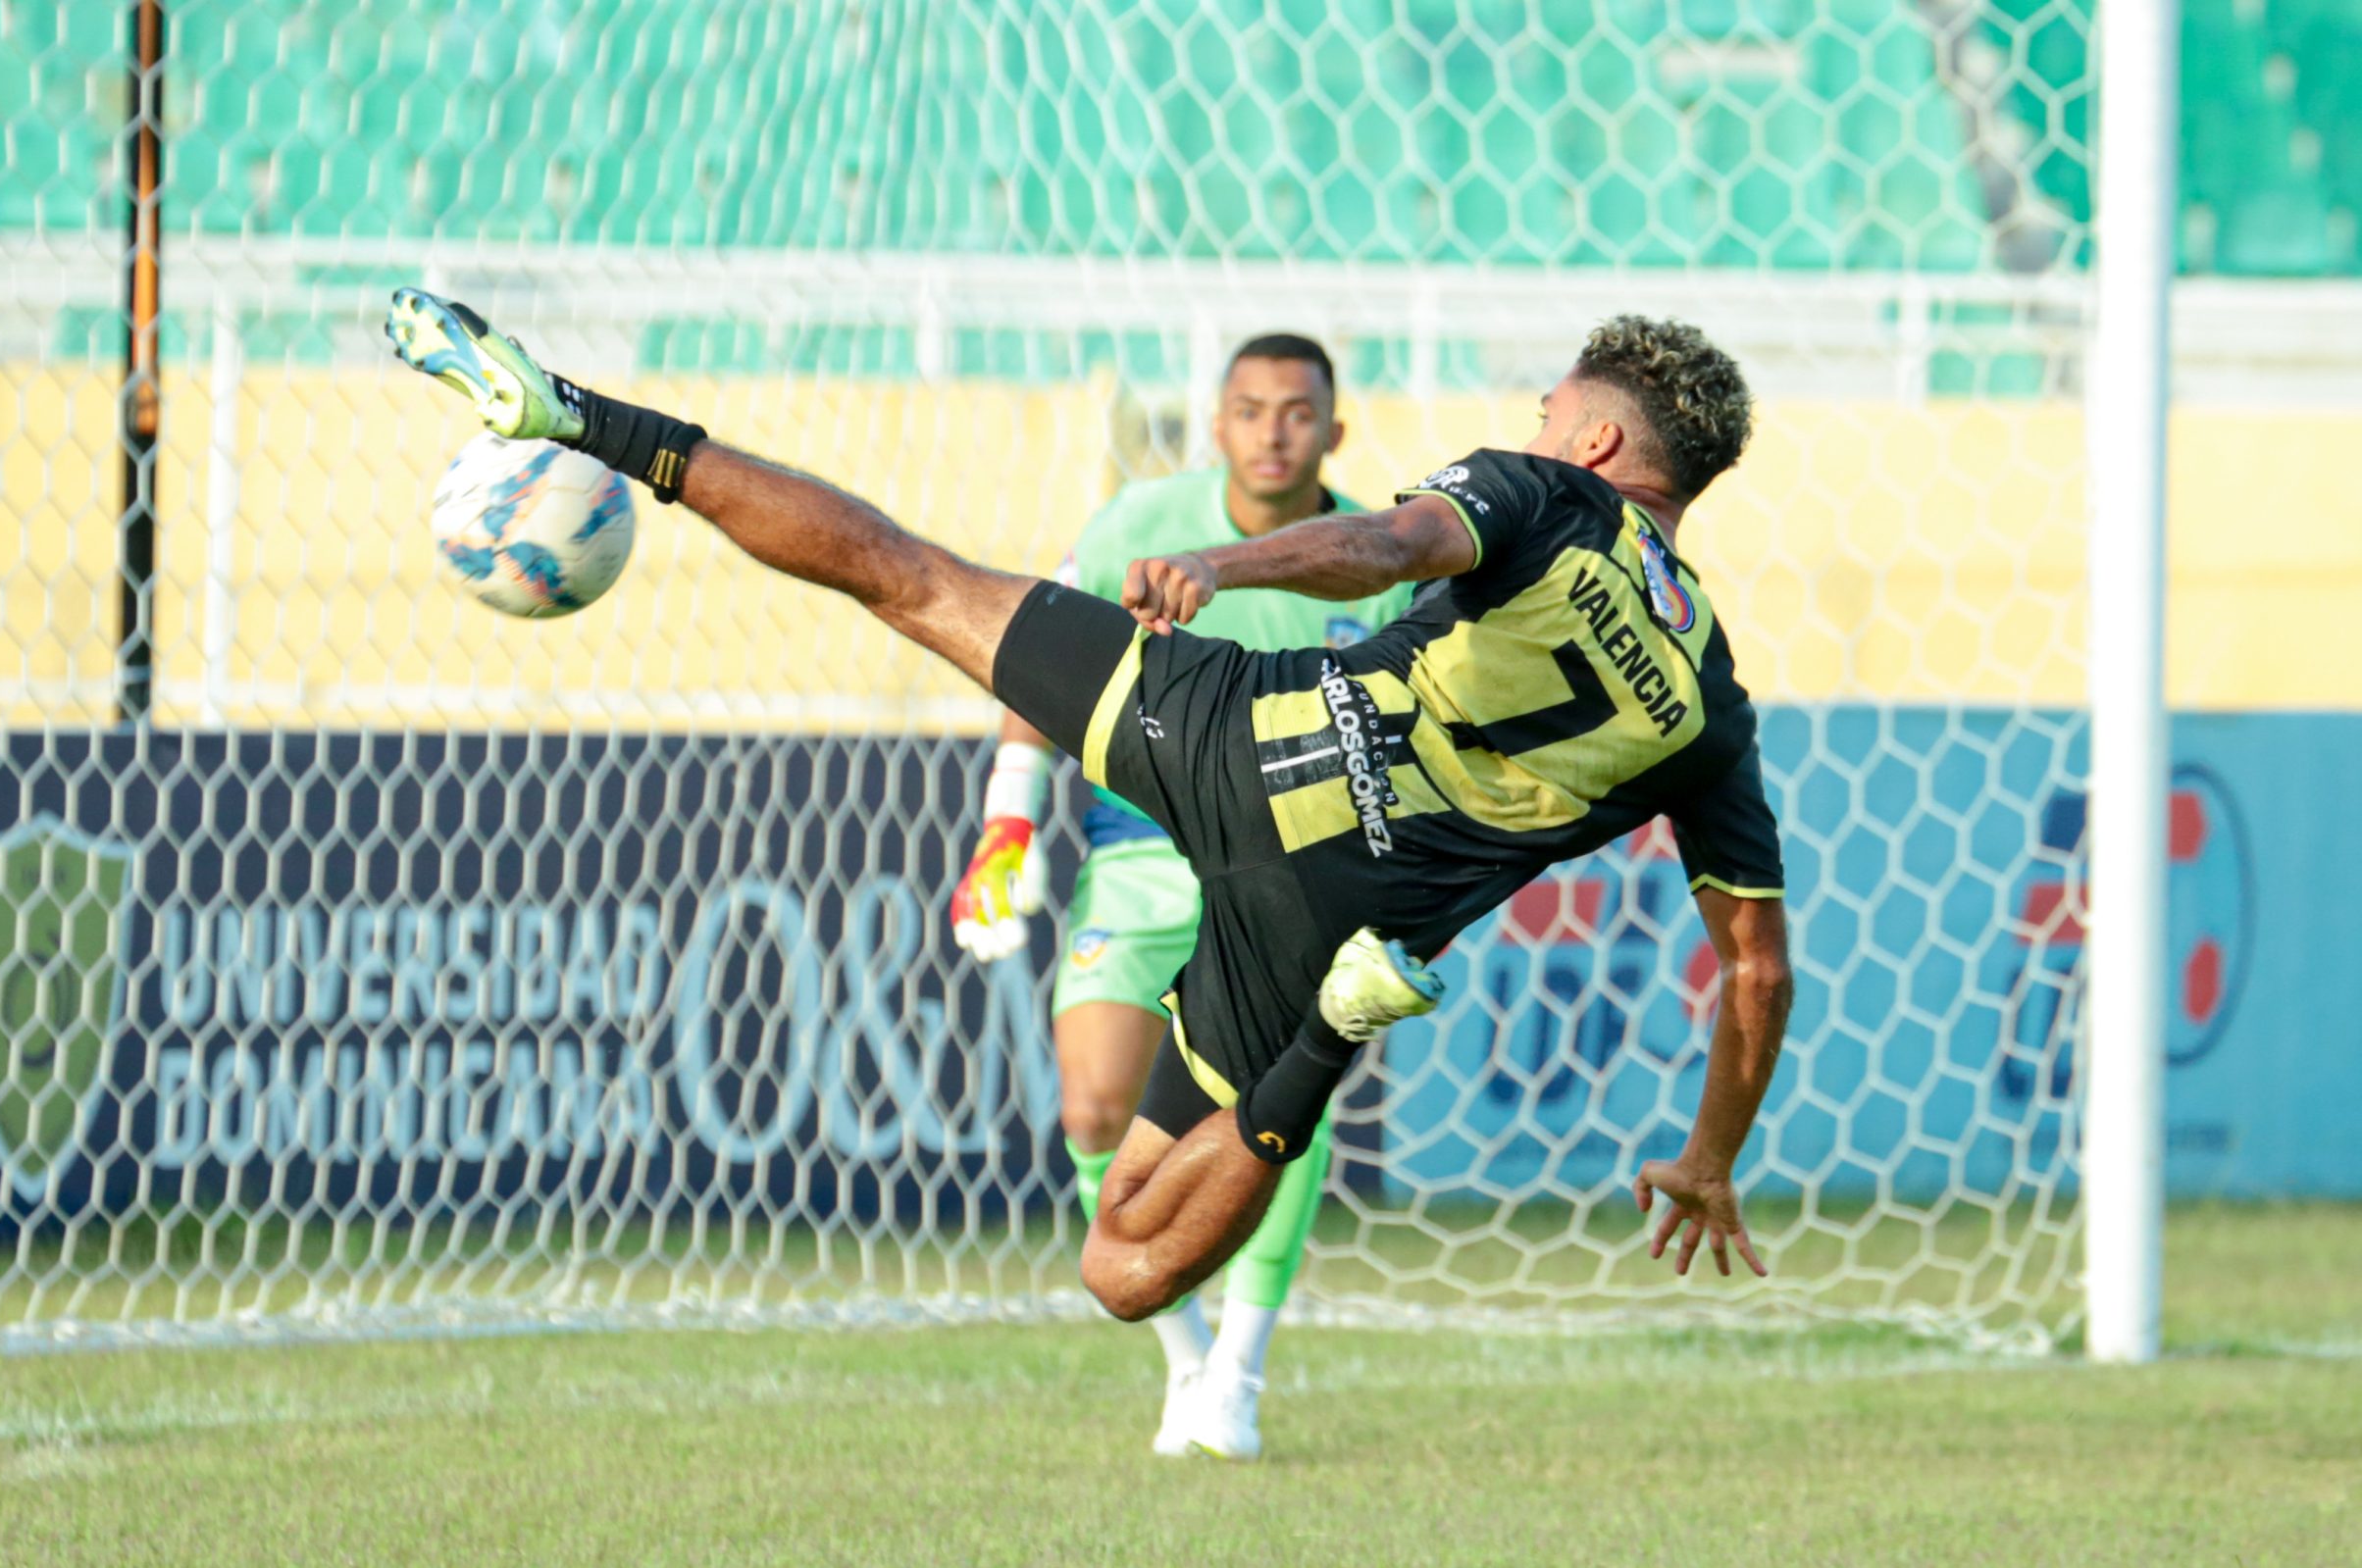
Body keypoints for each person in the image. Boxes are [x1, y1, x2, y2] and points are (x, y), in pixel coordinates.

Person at [385, 291, 1795, 1384]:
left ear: (1600, 442)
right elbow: (1753, 973)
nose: (1539, 423)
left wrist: (1227, 564)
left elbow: (1387, 543)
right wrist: (1710, 1154)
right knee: (1125, 1265)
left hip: (1240, 729)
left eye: (1552, 410)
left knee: (910, 577)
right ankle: (1331, 1042)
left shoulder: (1547, 493)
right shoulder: (1714, 708)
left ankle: (574, 413)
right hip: (1335, 927)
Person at [949, 332, 1410, 1460]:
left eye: (1295, 412)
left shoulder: (1378, 561)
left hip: (1297, 879)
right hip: (1146, 856)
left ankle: (1240, 1374)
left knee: (1273, 1126)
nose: (1271, 431)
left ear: (1332, 432)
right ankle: (1187, 1358)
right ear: (1216, 425)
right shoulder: (1138, 526)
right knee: (1095, 1109)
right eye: (1248, 409)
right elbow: (1033, 662)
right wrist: (1007, 825)